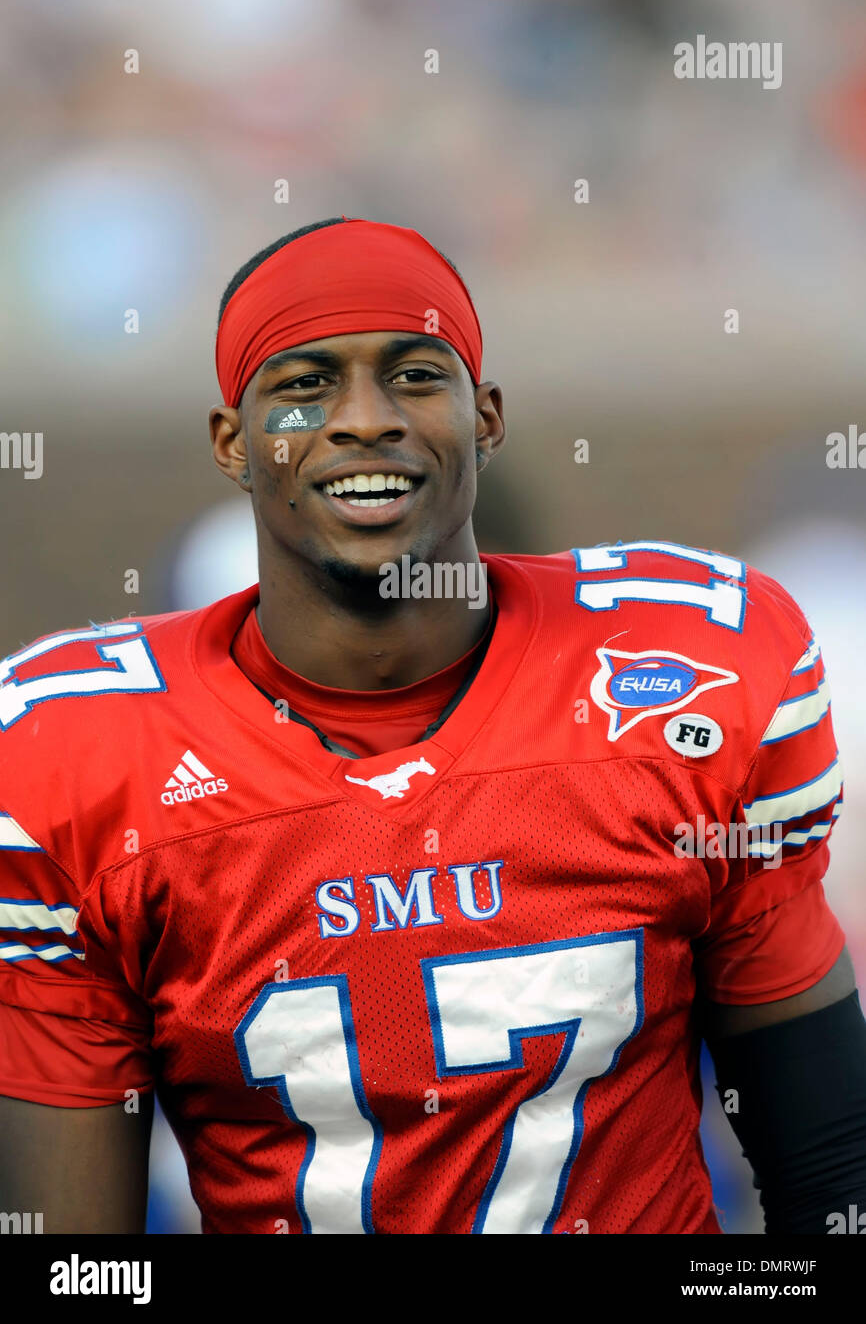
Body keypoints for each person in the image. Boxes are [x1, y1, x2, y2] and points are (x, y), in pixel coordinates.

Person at [0, 216, 864, 1235]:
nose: (363, 417)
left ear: (485, 416)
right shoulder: (73, 759)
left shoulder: (692, 674)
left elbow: (826, 1173)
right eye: (305, 382)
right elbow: (81, 1265)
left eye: (414, 374)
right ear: (232, 441)